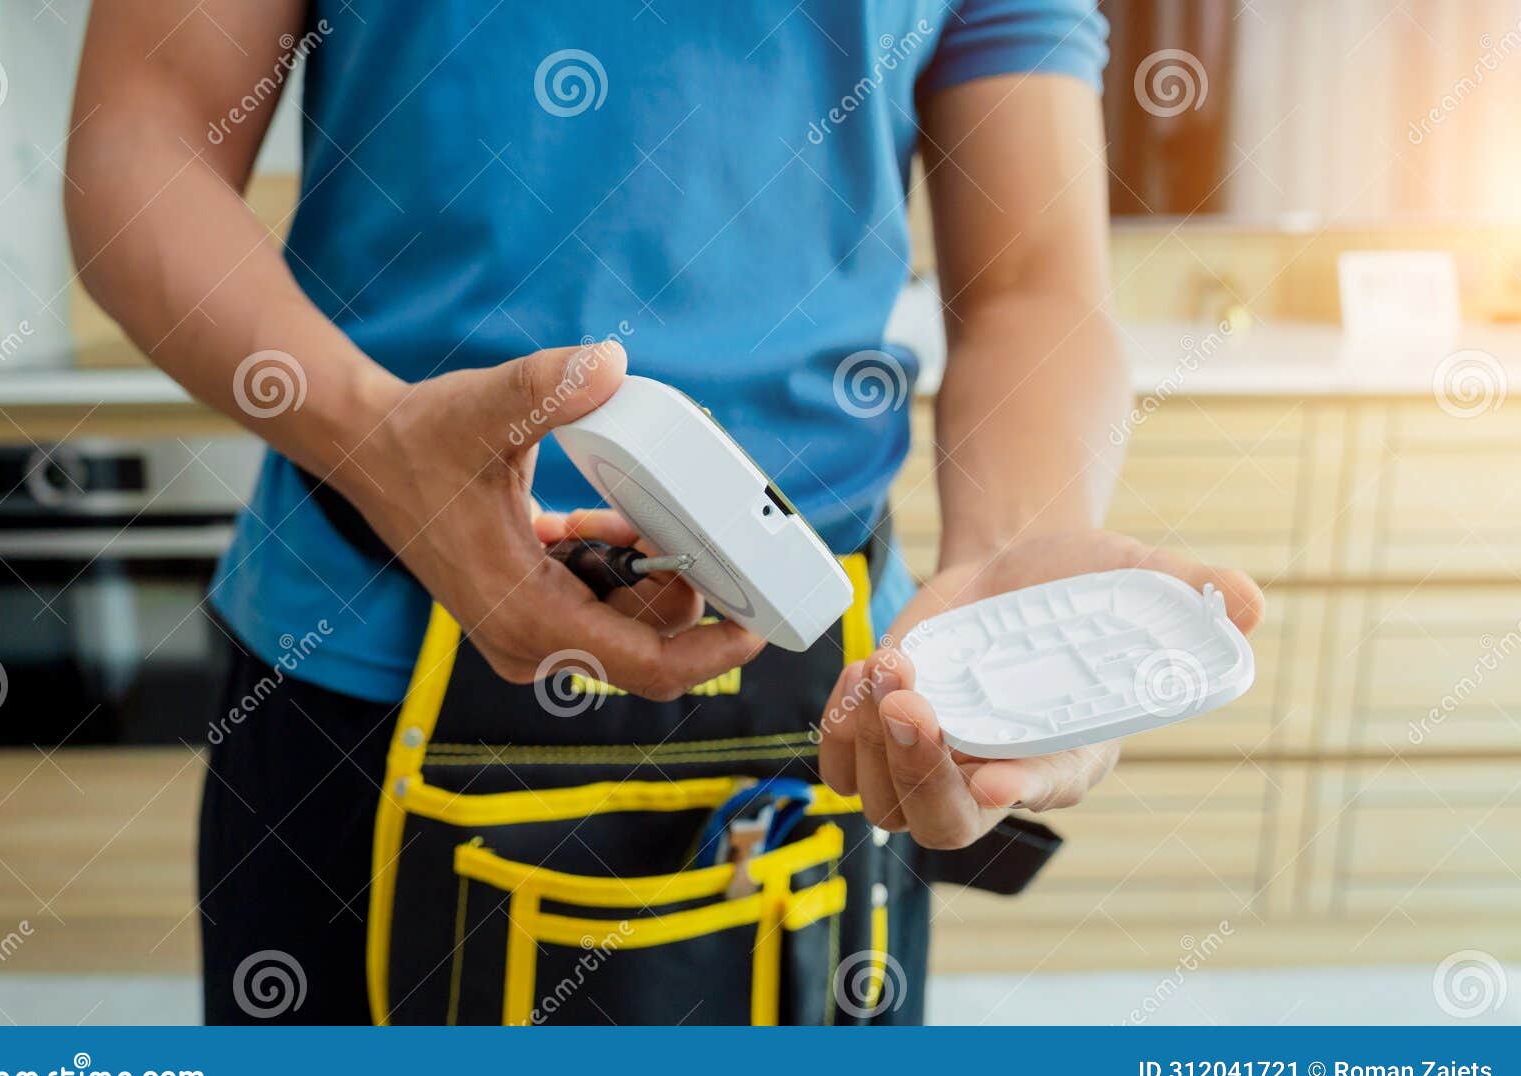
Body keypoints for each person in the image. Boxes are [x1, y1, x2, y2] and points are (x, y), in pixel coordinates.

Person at [66, 0, 1263, 1024]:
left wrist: (1009, 550)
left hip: (829, 687)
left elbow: (1032, 283)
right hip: (361, 655)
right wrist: (375, 442)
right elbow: (140, 141)